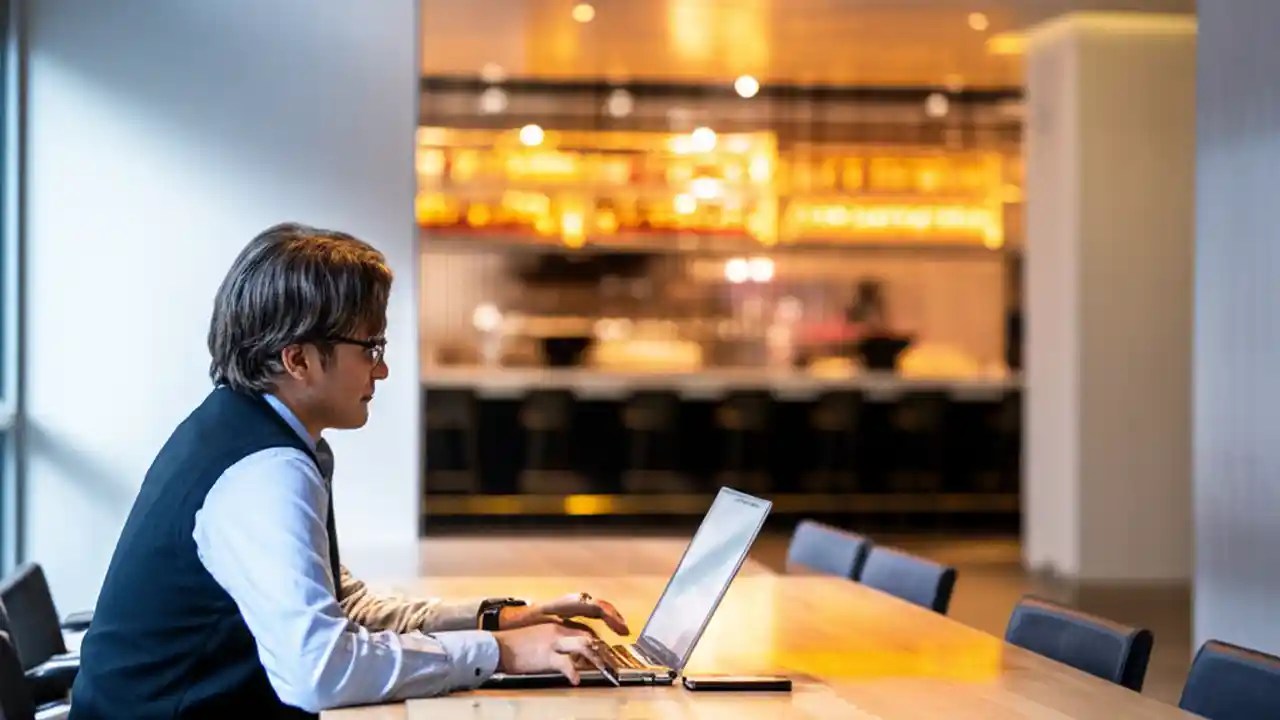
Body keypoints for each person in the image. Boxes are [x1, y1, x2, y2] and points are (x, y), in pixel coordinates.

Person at [70, 223, 628, 718]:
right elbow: (319, 671)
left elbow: (343, 607)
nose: (382, 369)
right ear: (298, 359)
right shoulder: (264, 471)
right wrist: (502, 655)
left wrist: (500, 622)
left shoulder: (250, 434)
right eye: (371, 347)